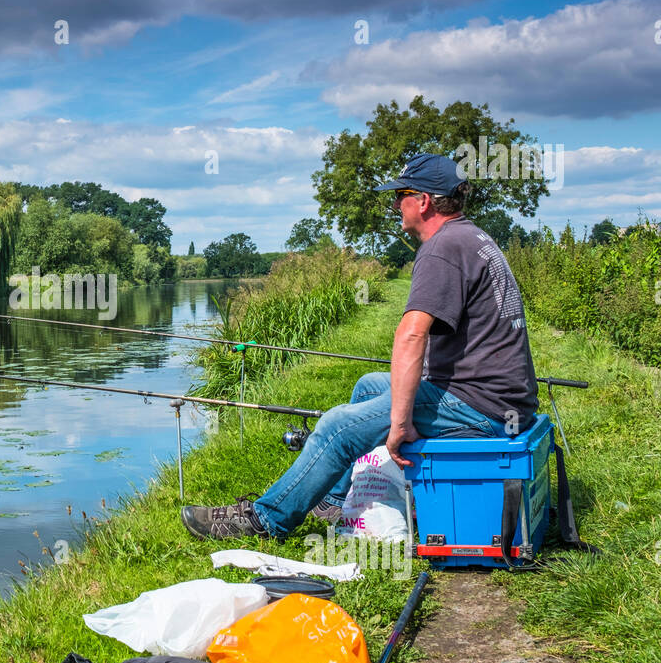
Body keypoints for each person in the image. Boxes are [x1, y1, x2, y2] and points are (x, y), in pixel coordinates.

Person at [181, 152, 538, 540]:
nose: (394, 203)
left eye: (400, 194)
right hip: (500, 401)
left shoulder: (442, 248)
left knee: (337, 426)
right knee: (369, 384)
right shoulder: (472, 237)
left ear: (424, 200)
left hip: (478, 406)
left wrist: (400, 423)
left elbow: (411, 334)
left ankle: (266, 520)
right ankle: (332, 501)